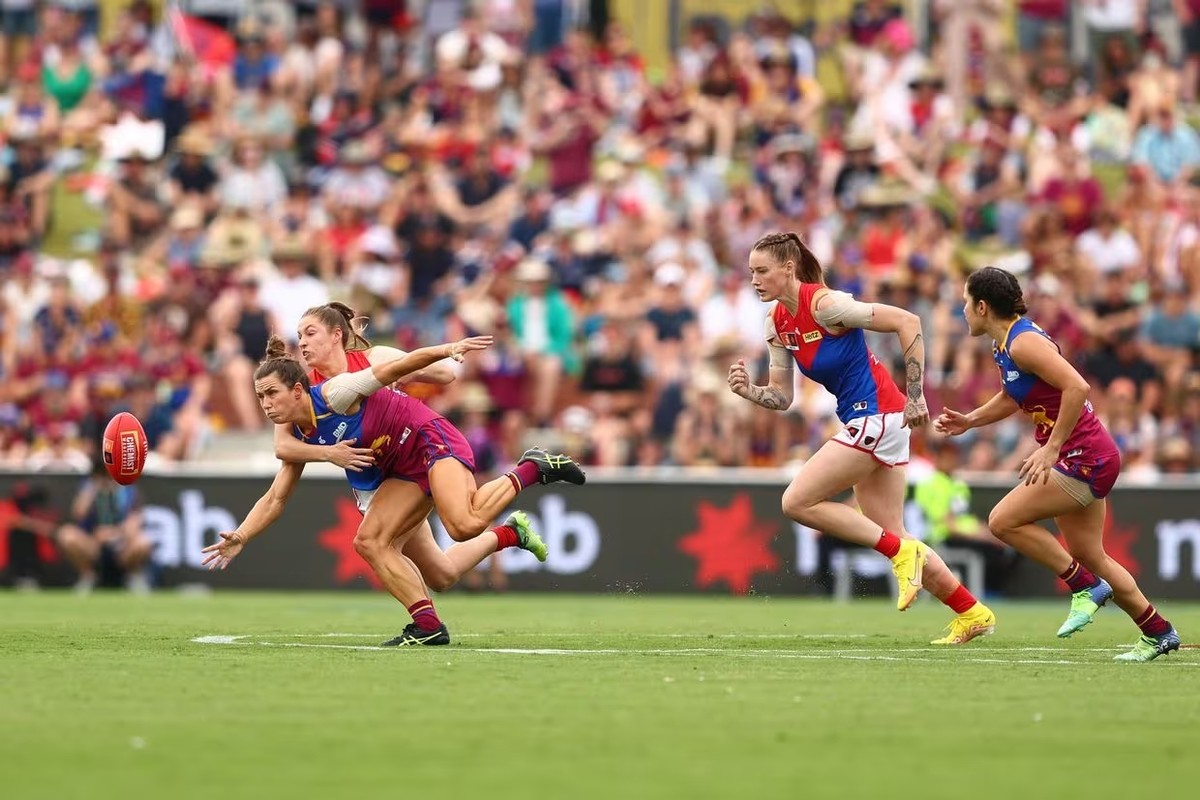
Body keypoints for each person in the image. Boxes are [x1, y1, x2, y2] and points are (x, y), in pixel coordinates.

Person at [203, 334, 586, 647]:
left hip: (424, 440)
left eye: (272, 394)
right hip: (397, 474)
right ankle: (505, 537)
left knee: (460, 526)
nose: (266, 405)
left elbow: (397, 368)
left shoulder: (336, 391)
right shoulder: (298, 433)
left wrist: (446, 350)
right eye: (261, 397)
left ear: (299, 391)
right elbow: (276, 497)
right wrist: (241, 536)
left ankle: (533, 467)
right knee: (437, 572)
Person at [728, 232, 996, 644]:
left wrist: (916, 394)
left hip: (880, 417)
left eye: (762, 271)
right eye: (751, 272)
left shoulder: (828, 305)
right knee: (896, 534)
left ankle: (900, 553)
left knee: (797, 501)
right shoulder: (775, 324)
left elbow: (908, 322)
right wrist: (749, 391)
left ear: (788, 268)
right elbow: (782, 396)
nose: (754, 280)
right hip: (871, 422)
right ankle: (971, 612)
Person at [935, 266, 1181, 662]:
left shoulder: (1022, 343)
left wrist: (1050, 449)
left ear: (982, 306)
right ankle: (1158, 631)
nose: (961, 310)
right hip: (1087, 454)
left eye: (965, 302)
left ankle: (1084, 587)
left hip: (1083, 456)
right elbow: (1012, 395)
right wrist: (970, 420)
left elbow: (1077, 387)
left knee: (1001, 521)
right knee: (1091, 554)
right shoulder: (1006, 344)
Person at [276, 302, 530, 597]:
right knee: (441, 575)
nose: (302, 342)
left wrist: (402, 369)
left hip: (408, 462)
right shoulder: (304, 390)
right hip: (379, 478)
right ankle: (510, 533)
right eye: (299, 335)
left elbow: (444, 376)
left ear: (336, 335)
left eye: (309, 333)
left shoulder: (374, 359)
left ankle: (426, 625)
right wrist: (329, 454)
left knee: (391, 540)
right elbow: (282, 446)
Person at [55, 455, 154, 594]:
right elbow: (78, 514)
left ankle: (132, 576)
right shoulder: (88, 488)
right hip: (93, 545)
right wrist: (93, 488)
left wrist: (115, 534)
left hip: (121, 546)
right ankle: (88, 576)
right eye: (102, 474)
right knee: (66, 535)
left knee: (143, 541)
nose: (107, 479)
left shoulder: (129, 490)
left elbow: (134, 524)